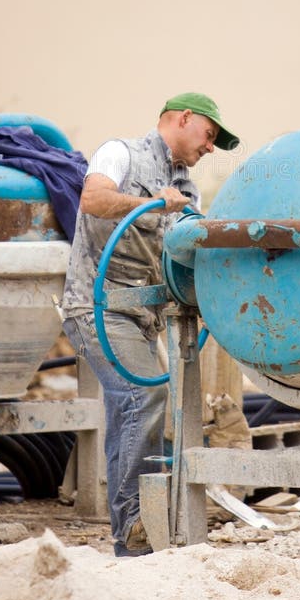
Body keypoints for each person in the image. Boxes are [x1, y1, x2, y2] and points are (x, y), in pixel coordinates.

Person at [60, 93, 239, 558]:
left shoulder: (188, 191)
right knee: (145, 396)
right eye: (209, 135)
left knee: (131, 411)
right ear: (183, 119)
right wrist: (149, 202)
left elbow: (184, 253)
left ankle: (131, 537)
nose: (211, 149)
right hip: (96, 308)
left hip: (143, 317)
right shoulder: (119, 153)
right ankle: (136, 523)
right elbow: (93, 199)